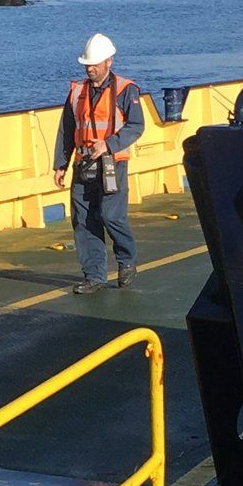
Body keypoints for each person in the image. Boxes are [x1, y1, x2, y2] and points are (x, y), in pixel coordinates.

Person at [53, 32, 142, 292]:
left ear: (108, 62)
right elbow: (67, 129)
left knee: (111, 215)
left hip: (112, 163)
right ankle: (94, 276)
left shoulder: (126, 90)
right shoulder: (77, 92)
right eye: (87, 64)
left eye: (94, 64)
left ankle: (127, 260)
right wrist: (61, 164)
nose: (90, 69)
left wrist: (109, 144)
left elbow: (136, 125)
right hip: (83, 163)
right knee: (83, 219)